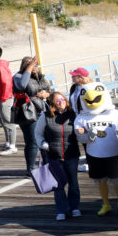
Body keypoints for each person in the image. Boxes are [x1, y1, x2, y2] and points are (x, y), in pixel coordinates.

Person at [75, 84, 118, 216]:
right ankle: (106, 204)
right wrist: (86, 135)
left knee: (116, 179)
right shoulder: (81, 117)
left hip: (114, 152)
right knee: (100, 180)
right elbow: (81, 140)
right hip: (94, 154)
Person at [35, 91, 81, 221]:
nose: (61, 102)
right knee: (58, 184)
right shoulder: (45, 117)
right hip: (54, 155)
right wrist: (44, 145)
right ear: (52, 104)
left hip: (71, 154)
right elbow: (37, 134)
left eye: (62, 99)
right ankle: (62, 210)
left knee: (73, 182)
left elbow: (81, 132)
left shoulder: (73, 115)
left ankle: (75, 207)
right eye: (57, 100)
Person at [12, 56, 51, 174]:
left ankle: (47, 166)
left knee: (45, 140)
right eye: (32, 65)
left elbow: (50, 90)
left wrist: (47, 94)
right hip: (28, 113)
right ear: (25, 66)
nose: (34, 67)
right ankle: (31, 170)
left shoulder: (40, 77)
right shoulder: (18, 77)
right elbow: (23, 86)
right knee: (32, 142)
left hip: (43, 111)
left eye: (36, 65)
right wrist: (29, 68)